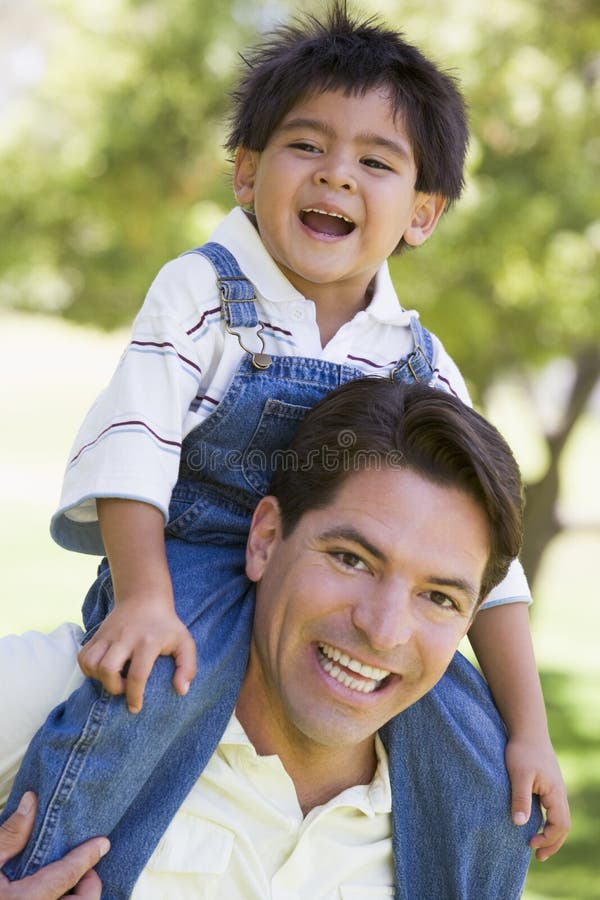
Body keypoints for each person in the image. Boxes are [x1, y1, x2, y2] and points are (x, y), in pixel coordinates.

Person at [0, 2, 568, 893]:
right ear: (247, 171)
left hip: (304, 568)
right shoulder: (202, 290)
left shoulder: (416, 356)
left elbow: (486, 558)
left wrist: (528, 727)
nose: (337, 176)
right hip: (185, 562)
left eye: (376, 162)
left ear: (423, 213)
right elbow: (136, 445)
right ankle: (50, 860)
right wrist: (144, 599)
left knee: (480, 757)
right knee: (144, 698)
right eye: (308, 148)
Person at [2, 380, 545, 898]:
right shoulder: (73, 694)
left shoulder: (473, 823)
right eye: (351, 560)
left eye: (440, 598)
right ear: (264, 540)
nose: (382, 631)